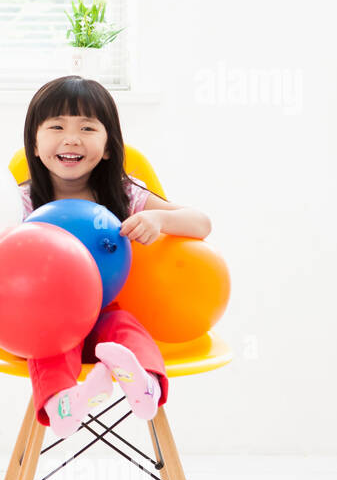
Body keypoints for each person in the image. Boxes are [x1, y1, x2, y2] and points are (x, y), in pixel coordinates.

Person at [19, 76, 212, 437]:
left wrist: (158, 218)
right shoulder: (23, 202)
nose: (71, 138)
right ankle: (63, 403)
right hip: (47, 318)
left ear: (108, 146)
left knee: (127, 329)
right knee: (49, 343)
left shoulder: (124, 194)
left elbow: (201, 223)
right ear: (35, 142)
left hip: (105, 310)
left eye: (87, 127)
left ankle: (146, 386)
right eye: (57, 126)